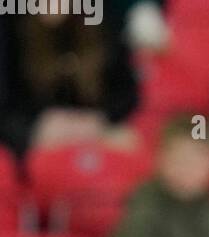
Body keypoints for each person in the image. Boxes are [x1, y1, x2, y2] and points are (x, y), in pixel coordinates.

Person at [0, 8, 138, 154]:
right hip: (33, 144)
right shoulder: (12, 29)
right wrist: (32, 130)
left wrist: (97, 121)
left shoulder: (101, 26)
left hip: (95, 138)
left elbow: (126, 93)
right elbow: (7, 108)